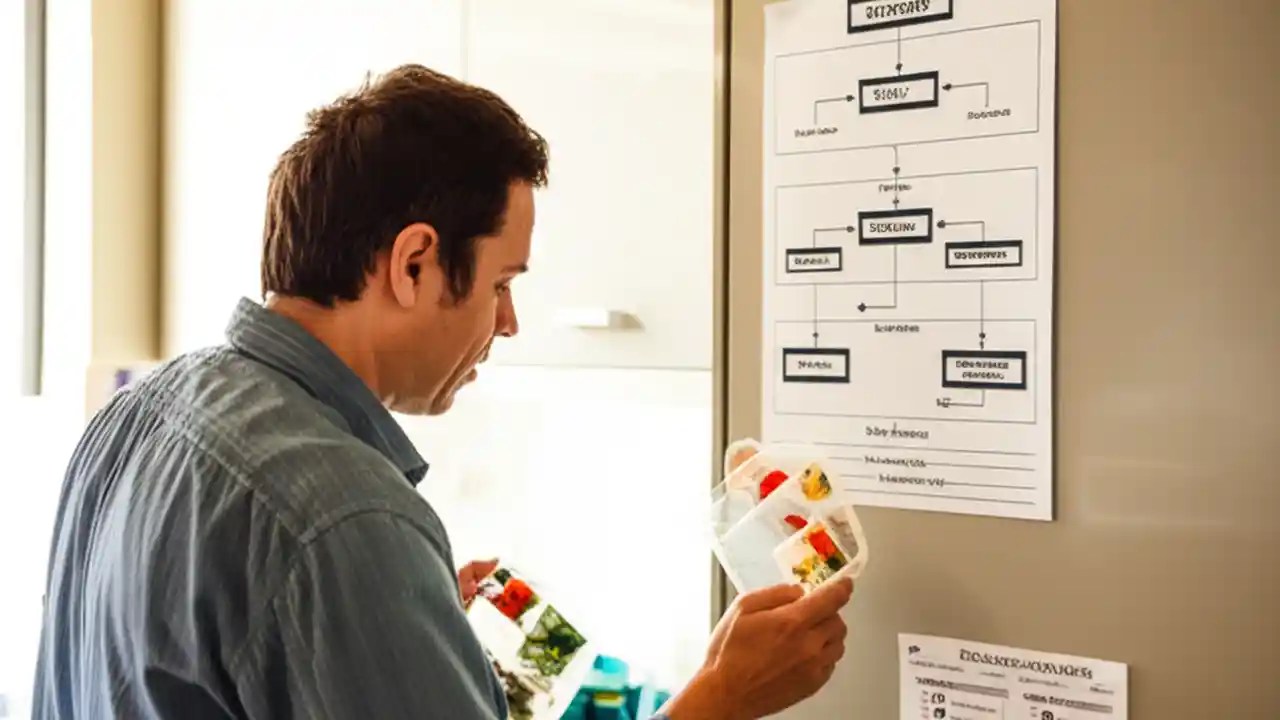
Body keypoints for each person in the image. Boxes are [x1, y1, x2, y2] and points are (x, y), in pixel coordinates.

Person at [32, 64, 854, 720]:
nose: (509, 322)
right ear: (414, 262)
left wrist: (400, 645)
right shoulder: (347, 517)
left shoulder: (142, 411)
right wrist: (719, 700)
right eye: (501, 283)